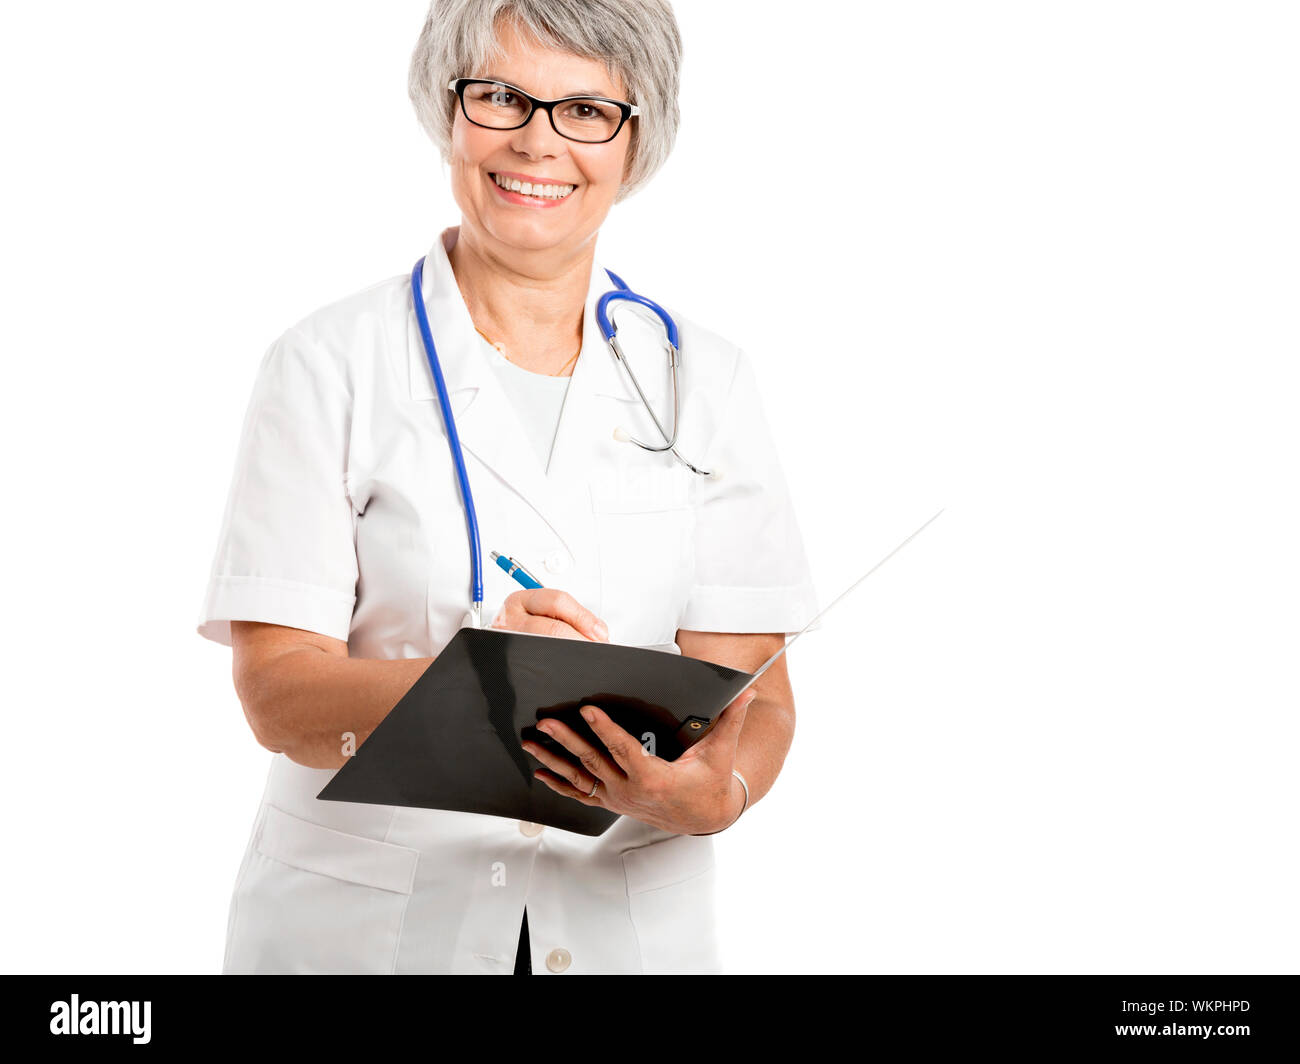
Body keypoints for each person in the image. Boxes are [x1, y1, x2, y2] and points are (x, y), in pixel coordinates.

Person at [197, 0, 818, 975]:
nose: (537, 142)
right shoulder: (327, 363)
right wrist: (485, 683)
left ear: (637, 139)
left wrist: (717, 793)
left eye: (586, 111)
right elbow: (278, 694)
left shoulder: (706, 380)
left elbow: (757, 697)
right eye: (499, 97)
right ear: (447, 108)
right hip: (367, 933)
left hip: (624, 925)